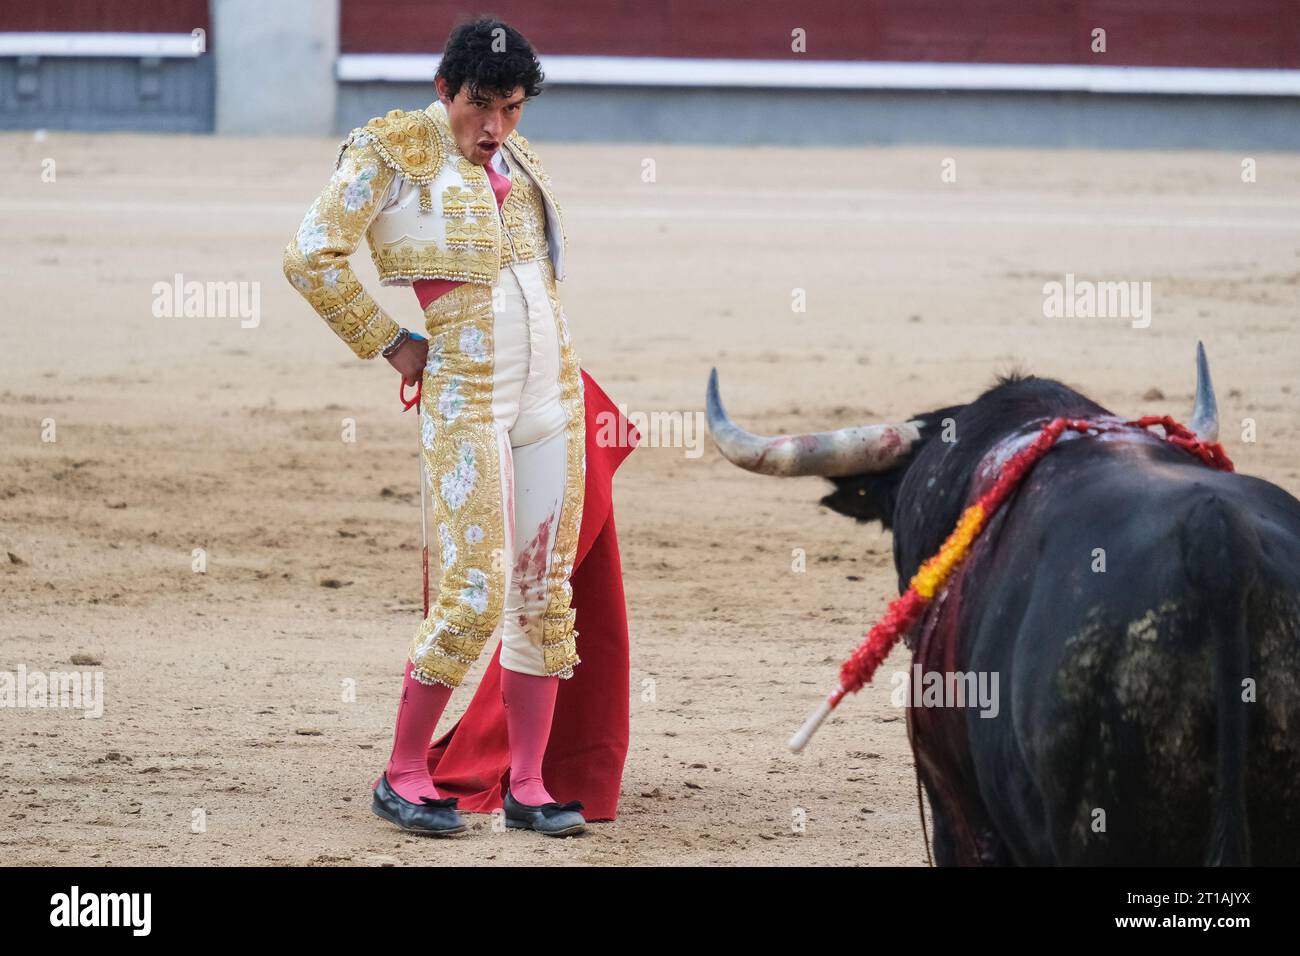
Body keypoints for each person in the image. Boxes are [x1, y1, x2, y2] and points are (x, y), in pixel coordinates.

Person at [283, 16, 628, 837]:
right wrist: (392, 343)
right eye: (482, 106)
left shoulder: (520, 158)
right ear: (445, 89)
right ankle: (402, 773)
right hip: (467, 398)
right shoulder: (392, 149)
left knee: (544, 595)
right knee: (474, 593)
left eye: (511, 108)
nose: (495, 126)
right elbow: (310, 256)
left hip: (551, 398)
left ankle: (529, 784)